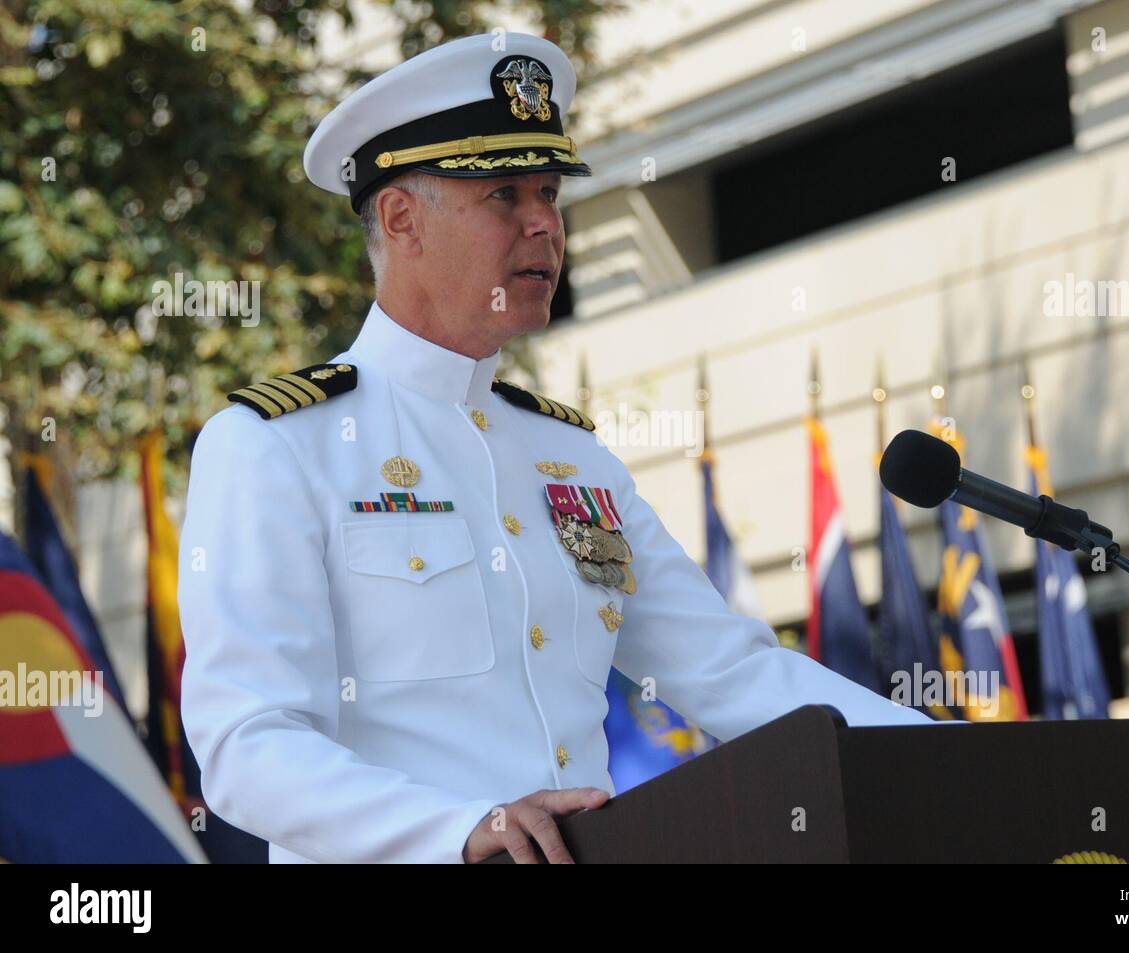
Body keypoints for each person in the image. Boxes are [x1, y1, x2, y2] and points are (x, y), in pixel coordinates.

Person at [178, 31, 939, 866]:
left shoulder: (571, 460)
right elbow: (248, 742)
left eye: (550, 192)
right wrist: (459, 829)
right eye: (505, 195)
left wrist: (949, 761)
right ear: (400, 219)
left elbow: (733, 671)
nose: (545, 223)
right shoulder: (277, 446)